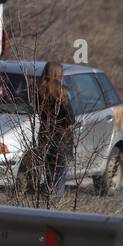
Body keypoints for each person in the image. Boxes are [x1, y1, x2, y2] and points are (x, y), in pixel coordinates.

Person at [32, 60, 74, 203]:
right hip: (61, 137)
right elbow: (70, 118)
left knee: (49, 174)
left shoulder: (38, 91)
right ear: (59, 74)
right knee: (60, 175)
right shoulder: (63, 92)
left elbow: (38, 112)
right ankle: (56, 206)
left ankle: (46, 204)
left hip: (45, 135)